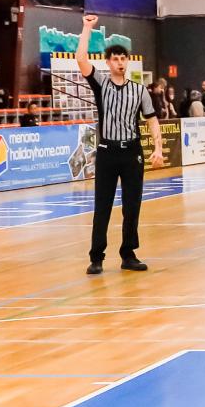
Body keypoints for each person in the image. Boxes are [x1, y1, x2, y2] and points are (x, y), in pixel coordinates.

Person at [76, 16, 164, 275]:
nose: (120, 62)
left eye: (123, 59)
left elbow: (152, 120)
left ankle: (128, 253)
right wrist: (87, 28)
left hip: (131, 152)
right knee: (102, 206)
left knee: (132, 206)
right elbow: (81, 59)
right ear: (108, 62)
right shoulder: (101, 84)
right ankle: (96, 257)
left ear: (128, 62)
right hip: (107, 152)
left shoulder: (139, 91)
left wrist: (157, 148)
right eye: (115, 59)